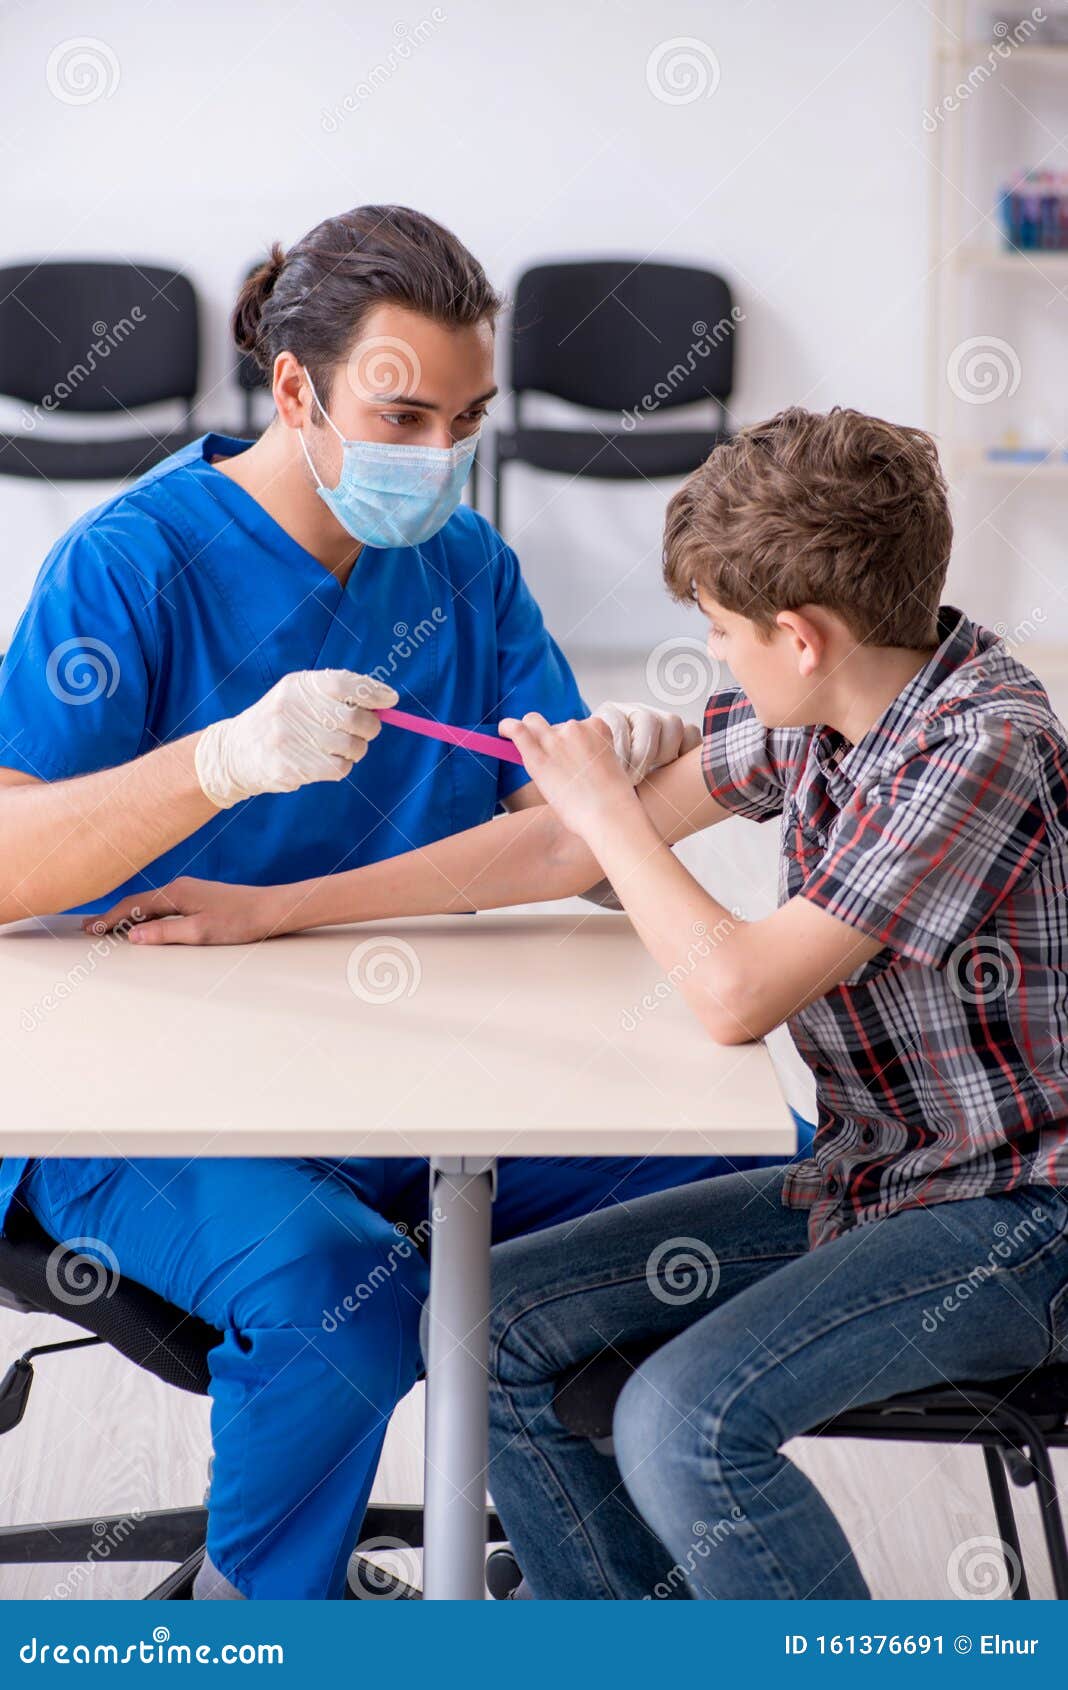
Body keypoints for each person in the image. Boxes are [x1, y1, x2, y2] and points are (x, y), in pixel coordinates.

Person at [0, 205, 737, 1600]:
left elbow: (546, 827)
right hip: (144, 1100)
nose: (436, 455)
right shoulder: (133, 563)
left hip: (412, 1068)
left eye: (466, 418)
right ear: (296, 392)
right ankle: (255, 1620)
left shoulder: (464, 568)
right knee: (341, 1305)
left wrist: (628, 766)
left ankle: (599, 1585)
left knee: (767, 1183)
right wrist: (214, 764)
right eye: (401, 413)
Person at [465, 405, 1068, 1599]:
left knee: (684, 1425)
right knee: (493, 1325)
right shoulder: (836, 706)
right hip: (874, 1182)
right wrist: (262, 904)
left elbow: (732, 990)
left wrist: (607, 814)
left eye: (721, 634)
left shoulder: (983, 747)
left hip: (1021, 1218)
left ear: (798, 635)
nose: (714, 662)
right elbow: (554, 854)